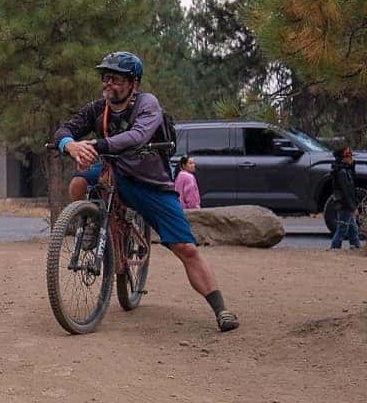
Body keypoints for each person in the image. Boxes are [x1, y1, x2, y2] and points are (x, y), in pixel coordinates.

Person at [54, 52, 239, 332]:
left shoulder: (147, 104)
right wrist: (69, 144)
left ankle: (221, 309)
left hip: (149, 181)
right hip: (114, 171)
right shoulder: (97, 108)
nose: (109, 83)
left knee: (186, 248)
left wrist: (97, 146)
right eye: (106, 78)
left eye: (116, 78)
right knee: (78, 184)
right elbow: (66, 128)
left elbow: (138, 136)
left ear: (133, 83)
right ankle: (91, 222)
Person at [330, 147, 363, 249]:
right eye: (349, 156)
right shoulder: (341, 173)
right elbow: (346, 192)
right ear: (343, 158)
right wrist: (353, 208)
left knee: (353, 227)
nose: (351, 158)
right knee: (343, 228)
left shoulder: (346, 170)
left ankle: (355, 245)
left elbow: (351, 188)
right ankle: (335, 247)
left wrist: (353, 167)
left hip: (347, 204)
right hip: (344, 205)